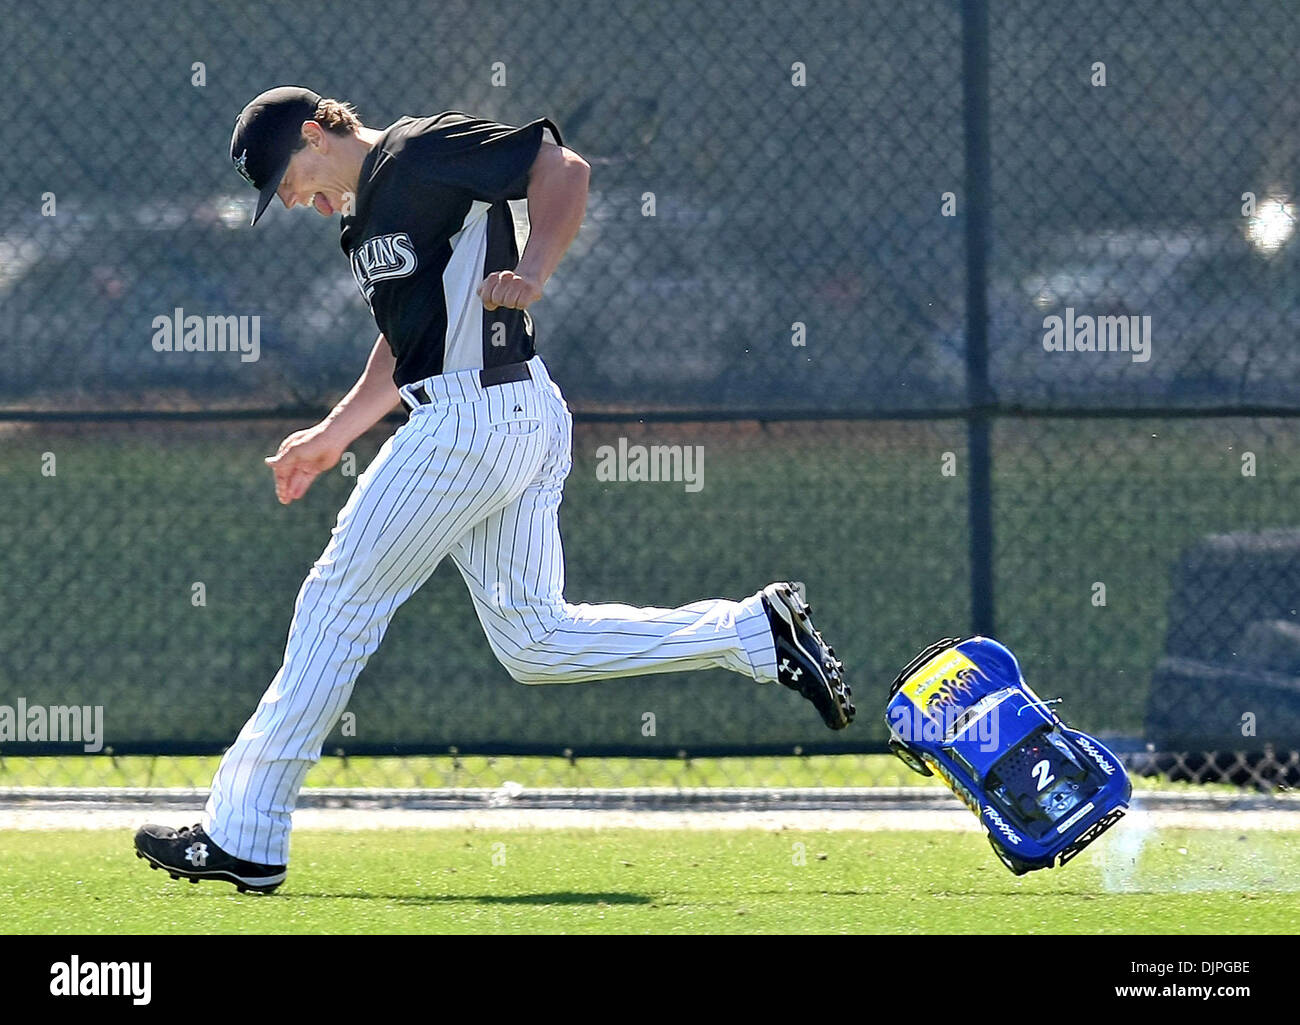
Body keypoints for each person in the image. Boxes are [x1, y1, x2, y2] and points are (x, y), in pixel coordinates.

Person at [134, 86, 853, 893]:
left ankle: (244, 834)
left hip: (478, 418)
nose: (294, 200)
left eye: (288, 179)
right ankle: (756, 632)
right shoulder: (359, 219)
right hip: (498, 414)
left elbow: (564, 170)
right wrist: (333, 434)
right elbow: (406, 344)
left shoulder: (420, 150)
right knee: (535, 641)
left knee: (338, 601)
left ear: (316, 131)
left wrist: (535, 269)